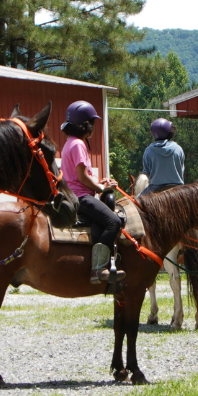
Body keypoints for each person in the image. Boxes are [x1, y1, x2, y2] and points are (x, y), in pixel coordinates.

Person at [61, 100, 125, 283]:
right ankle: (98, 269)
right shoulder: (79, 144)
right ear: (86, 125)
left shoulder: (70, 143)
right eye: (93, 123)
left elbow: (81, 175)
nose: (94, 127)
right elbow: (82, 178)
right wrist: (103, 188)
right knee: (113, 221)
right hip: (81, 198)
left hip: (76, 194)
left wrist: (99, 182)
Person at [141, 118, 185, 194]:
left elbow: (146, 174)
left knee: (135, 202)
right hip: (178, 189)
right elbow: (181, 170)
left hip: (154, 189)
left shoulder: (148, 151)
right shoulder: (178, 148)